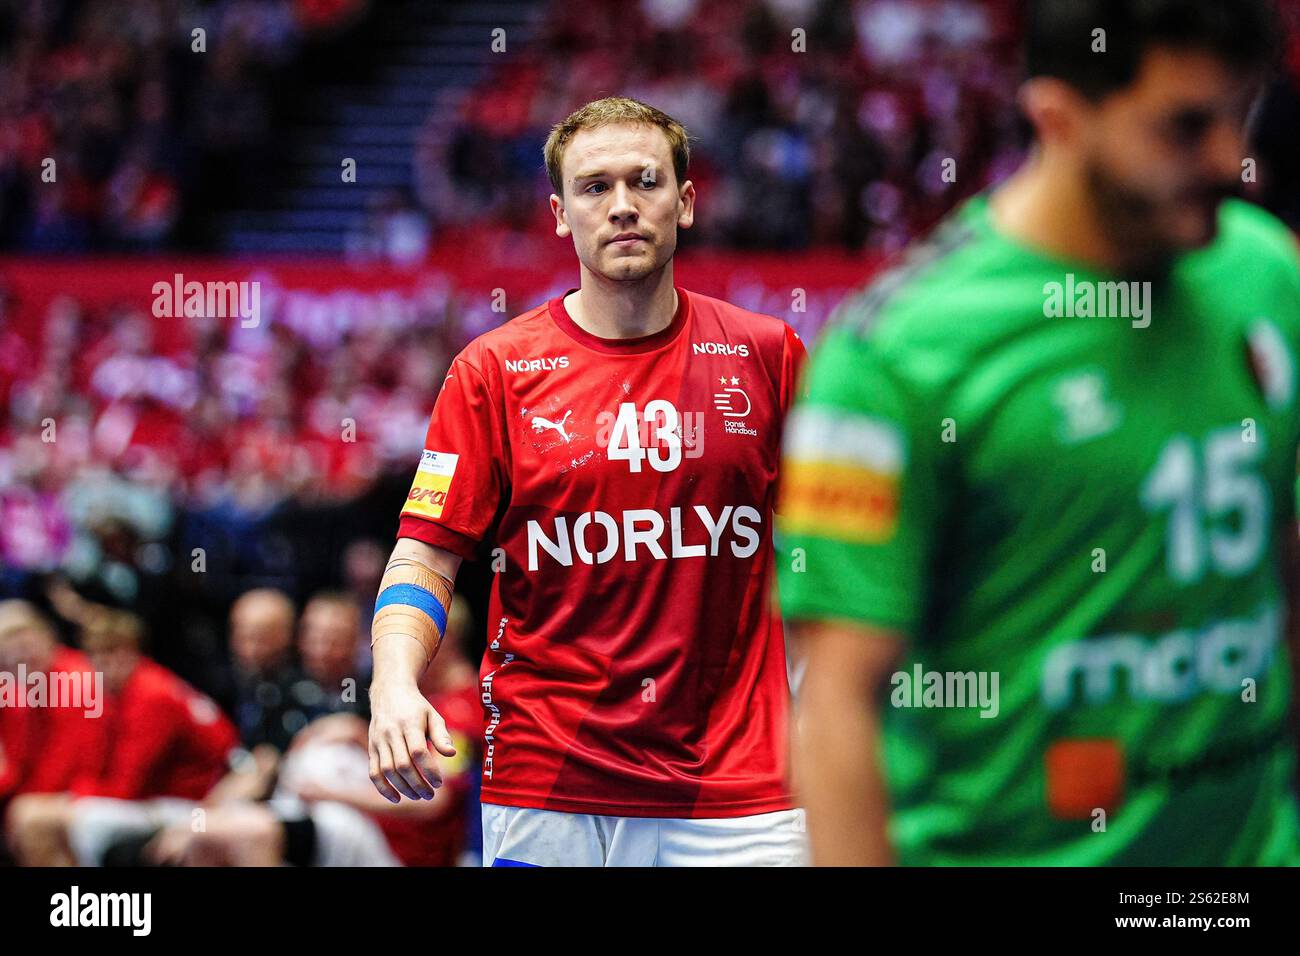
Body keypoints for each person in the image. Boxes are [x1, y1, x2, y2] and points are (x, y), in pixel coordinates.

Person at [778, 0, 1300, 865]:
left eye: (1237, 116)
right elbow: (837, 706)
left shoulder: (1267, 275)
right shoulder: (895, 357)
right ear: (1059, 119)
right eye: (1184, 127)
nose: (1231, 161)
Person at [368, 96, 807, 866]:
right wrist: (393, 682)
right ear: (561, 215)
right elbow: (427, 555)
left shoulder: (769, 356)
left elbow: (836, 555)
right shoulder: (492, 371)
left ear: (688, 201)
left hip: (737, 786)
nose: (623, 206)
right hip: (549, 777)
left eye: (646, 181)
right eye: (594, 188)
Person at [6, 608, 239, 865]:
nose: (102, 666)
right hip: (154, 797)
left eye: (112, 655)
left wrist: (76, 794)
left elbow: (129, 784)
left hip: (196, 805)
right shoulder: (119, 692)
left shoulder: (152, 697)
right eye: (95, 657)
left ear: (132, 653)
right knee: (35, 814)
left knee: (61, 818)